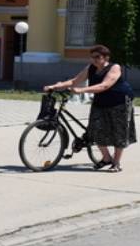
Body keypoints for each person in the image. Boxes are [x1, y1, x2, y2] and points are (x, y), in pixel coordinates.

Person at [43, 44, 135, 172]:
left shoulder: (114, 67)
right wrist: (54, 86)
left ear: (106, 57)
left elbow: (104, 86)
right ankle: (106, 158)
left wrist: (81, 90)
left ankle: (117, 163)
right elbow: (74, 81)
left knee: (118, 132)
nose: (94, 60)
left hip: (119, 102)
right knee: (95, 130)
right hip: (100, 101)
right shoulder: (91, 68)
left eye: (97, 57)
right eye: (92, 57)